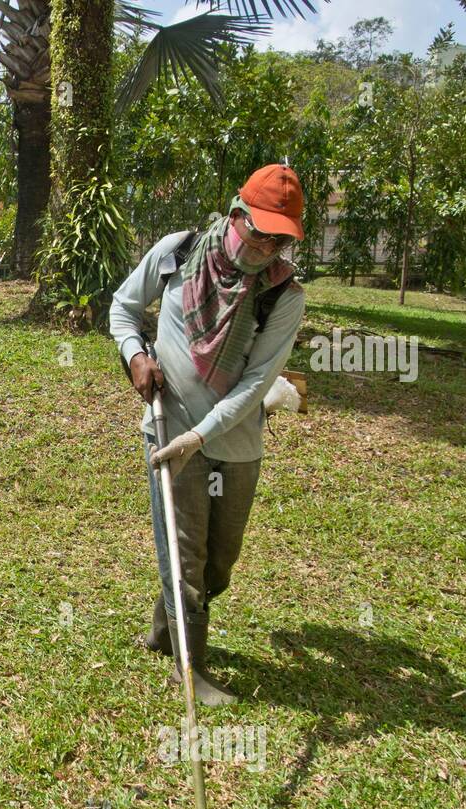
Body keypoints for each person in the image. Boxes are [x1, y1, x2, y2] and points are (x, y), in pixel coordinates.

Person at [110, 164, 307, 706]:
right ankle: (190, 670)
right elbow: (124, 309)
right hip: (166, 429)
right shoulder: (177, 253)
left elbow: (254, 384)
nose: (265, 245)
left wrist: (201, 435)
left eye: (279, 239)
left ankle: (162, 626)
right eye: (258, 229)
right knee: (185, 557)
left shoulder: (284, 296)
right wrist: (134, 358)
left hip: (234, 444)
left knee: (218, 563)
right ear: (235, 211)